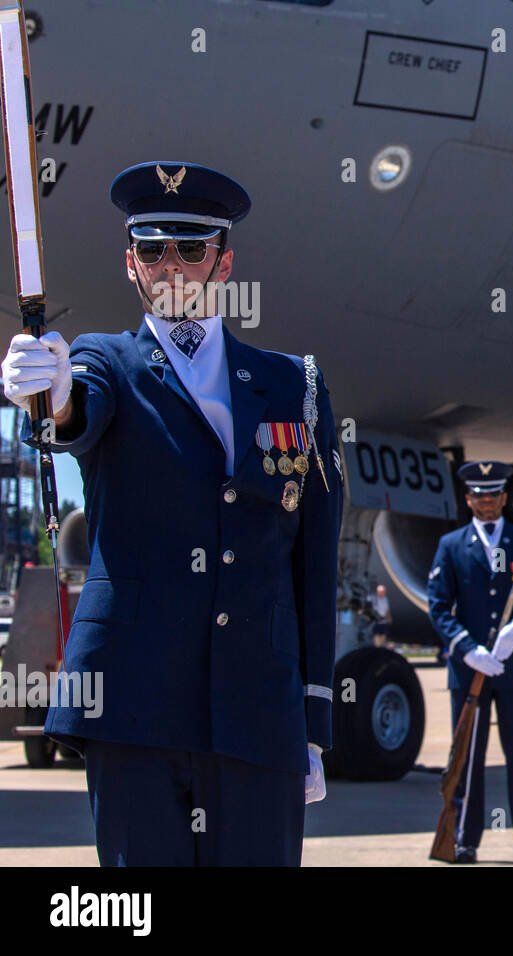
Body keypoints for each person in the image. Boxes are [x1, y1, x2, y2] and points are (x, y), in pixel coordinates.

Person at [1, 161, 343, 865]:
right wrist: (49, 391)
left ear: (225, 262)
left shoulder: (293, 385)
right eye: (153, 249)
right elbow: (77, 413)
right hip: (134, 706)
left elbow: (313, 561)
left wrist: (311, 722)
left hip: (257, 709)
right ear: (131, 264)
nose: (172, 267)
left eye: (191, 249)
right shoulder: (106, 363)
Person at [426, 461, 513, 864]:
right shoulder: (451, 545)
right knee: (467, 758)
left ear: (504, 498)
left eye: (494, 496)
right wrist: (467, 647)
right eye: (479, 496)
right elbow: (437, 606)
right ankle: (465, 839)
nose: (487, 503)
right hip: (469, 671)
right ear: (468, 499)